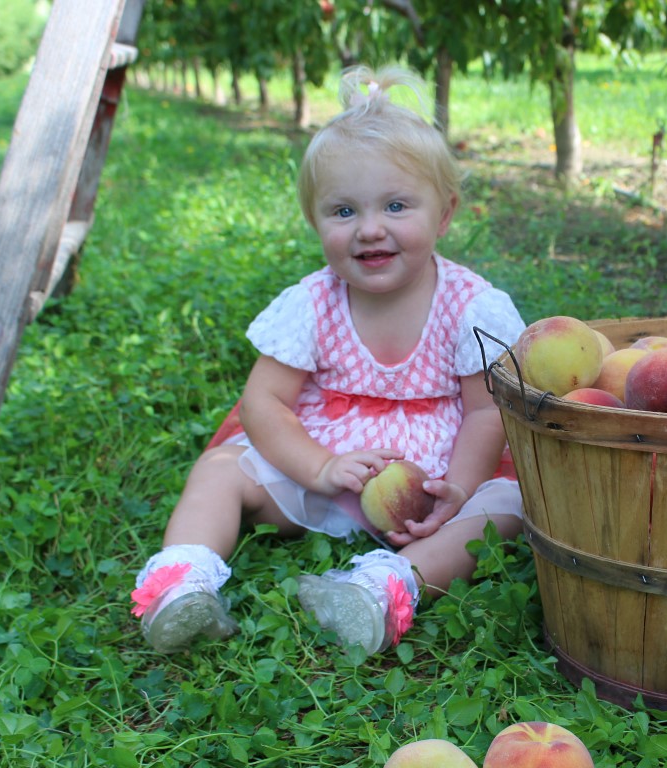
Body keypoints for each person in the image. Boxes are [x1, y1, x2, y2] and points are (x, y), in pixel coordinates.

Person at [129, 65, 527, 655]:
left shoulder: (471, 306)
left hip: (437, 477)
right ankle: (183, 583)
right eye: (343, 212)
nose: (370, 230)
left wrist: (459, 489)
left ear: (444, 213)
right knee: (220, 468)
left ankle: (385, 587)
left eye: (396, 206)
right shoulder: (312, 303)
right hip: (326, 468)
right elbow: (263, 402)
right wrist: (318, 468)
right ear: (314, 219)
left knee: (507, 505)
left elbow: (485, 415)